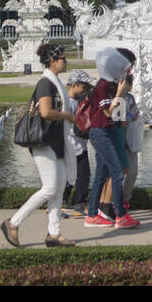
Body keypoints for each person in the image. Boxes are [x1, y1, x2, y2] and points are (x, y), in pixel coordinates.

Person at [2, 43, 76, 247]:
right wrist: (67, 116)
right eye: (63, 58)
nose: (66, 61)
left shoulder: (56, 83)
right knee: (50, 187)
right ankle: (13, 222)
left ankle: (54, 233)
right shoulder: (46, 83)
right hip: (44, 142)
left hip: (55, 141)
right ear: (53, 61)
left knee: (59, 187)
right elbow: (45, 112)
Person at [84, 47, 139, 229]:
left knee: (101, 175)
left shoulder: (112, 85)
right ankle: (120, 216)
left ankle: (92, 215)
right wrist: (120, 93)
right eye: (127, 68)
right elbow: (109, 112)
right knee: (116, 173)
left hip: (105, 131)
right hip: (99, 132)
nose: (129, 71)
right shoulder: (102, 85)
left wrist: (120, 93)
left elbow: (116, 116)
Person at [62, 70, 93, 216]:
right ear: (74, 85)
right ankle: (75, 203)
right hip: (71, 146)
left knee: (81, 175)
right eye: (84, 86)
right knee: (78, 176)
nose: (86, 89)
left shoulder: (80, 101)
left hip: (80, 144)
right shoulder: (67, 103)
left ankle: (71, 202)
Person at [120, 83, 145, 204]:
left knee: (133, 172)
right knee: (118, 173)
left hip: (131, 139)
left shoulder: (130, 98)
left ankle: (125, 197)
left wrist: (133, 116)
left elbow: (131, 114)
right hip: (119, 139)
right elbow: (120, 120)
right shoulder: (116, 98)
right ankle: (114, 201)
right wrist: (130, 116)